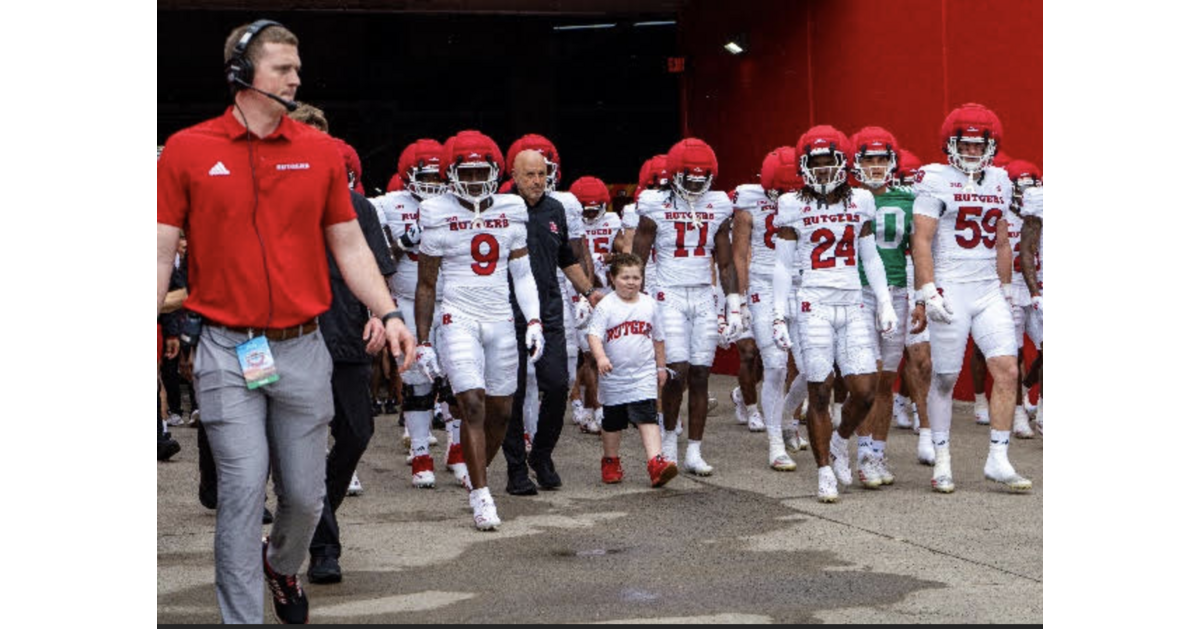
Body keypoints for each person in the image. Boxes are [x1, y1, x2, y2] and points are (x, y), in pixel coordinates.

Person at [156, 20, 416, 624]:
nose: (296, 77)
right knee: (242, 493)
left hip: (303, 349)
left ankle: (282, 564)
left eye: (297, 68)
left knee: (304, 495)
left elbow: (350, 246)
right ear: (242, 75)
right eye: (282, 67)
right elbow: (158, 248)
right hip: (225, 349)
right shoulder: (188, 151)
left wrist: (390, 311)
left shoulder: (321, 153)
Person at [413, 130, 543, 529]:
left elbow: (521, 273)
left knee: (502, 411)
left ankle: (476, 473)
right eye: (465, 173)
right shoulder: (436, 212)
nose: (472, 181)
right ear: (452, 174)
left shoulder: (511, 208)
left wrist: (534, 318)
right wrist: (422, 340)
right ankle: (482, 497)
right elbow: (427, 283)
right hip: (458, 317)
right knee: (471, 403)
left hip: (501, 316)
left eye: (480, 172)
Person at [771, 125, 898, 502]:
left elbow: (870, 255)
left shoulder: (860, 199)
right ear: (804, 166)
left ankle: (841, 441)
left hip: (852, 300)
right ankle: (824, 470)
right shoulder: (793, 204)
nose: (824, 171)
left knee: (865, 390)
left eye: (830, 163)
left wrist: (885, 301)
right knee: (820, 389)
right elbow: (782, 266)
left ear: (844, 164)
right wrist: (779, 315)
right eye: (817, 164)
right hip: (813, 302)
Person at [910, 103, 1033, 493]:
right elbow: (922, 240)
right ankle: (942, 460)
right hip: (950, 287)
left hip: (986, 290)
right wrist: (928, 290)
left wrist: (1008, 287)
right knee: (945, 378)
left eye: (980, 146)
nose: (973, 152)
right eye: (966, 144)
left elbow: (1000, 240)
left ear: (991, 146)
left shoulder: (1000, 179)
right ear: (951, 144)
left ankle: (998, 459)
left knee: (1008, 370)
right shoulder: (934, 179)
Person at [304, 136, 397, 584]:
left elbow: (377, 269)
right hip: (297, 338)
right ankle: (324, 547)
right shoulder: (284, 203)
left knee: (359, 431)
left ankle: (312, 507)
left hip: (348, 334)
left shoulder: (361, 208)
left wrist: (383, 314)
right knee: (301, 442)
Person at [632, 138, 741, 475]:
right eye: (689, 178)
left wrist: (733, 304)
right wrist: (639, 303)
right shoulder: (655, 204)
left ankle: (694, 449)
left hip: (703, 295)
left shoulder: (719, 204)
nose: (695, 185)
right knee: (676, 371)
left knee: (701, 372)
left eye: (701, 179)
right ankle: (667, 442)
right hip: (669, 293)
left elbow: (724, 263)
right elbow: (639, 258)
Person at [500, 147, 602, 496]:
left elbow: (566, 258)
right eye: (529, 174)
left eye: (542, 174)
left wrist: (590, 292)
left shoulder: (556, 208)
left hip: (549, 310)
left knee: (558, 384)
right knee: (510, 392)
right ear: (513, 176)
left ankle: (541, 455)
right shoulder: (501, 208)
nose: (537, 181)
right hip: (507, 312)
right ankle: (515, 469)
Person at [370, 138, 467, 488]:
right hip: (408, 301)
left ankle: (458, 449)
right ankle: (421, 452)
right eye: (424, 175)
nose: (433, 184)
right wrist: (404, 241)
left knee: (458, 377)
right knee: (417, 381)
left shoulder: (458, 201)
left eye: (437, 176)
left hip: (451, 298)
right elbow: (380, 259)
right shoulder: (388, 205)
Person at [847, 126, 916, 487]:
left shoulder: (908, 199)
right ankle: (861, 454)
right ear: (857, 163)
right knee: (867, 377)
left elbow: (920, 251)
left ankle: (877, 450)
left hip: (898, 291)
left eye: (881, 159)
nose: (875, 166)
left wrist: (919, 297)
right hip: (858, 292)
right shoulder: (847, 198)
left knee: (887, 380)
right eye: (869, 159)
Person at [731, 148, 800, 473]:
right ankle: (775, 441)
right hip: (763, 285)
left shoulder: (811, 197)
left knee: (814, 367)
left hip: (802, 284)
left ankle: (787, 415)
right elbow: (741, 255)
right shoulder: (749, 203)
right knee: (774, 365)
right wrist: (740, 300)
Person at [587, 253, 677, 486]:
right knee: (613, 421)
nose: (631, 282)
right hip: (614, 375)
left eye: (636, 277)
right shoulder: (606, 306)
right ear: (613, 278)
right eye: (625, 277)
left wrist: (661, 367)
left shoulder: (649, 304)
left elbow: (658, 338)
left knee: (647, 416)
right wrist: (601, 357)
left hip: (643, 374)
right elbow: (594, 335)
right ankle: (610, 460)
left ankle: (656, 463)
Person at [570, 176, 622, 435]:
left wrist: (611, 257)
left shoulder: (613, 222)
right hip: (578, 294)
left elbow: (627, 252)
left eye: (594, 209)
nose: (590, 215)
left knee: (606, 353)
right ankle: (598, 408)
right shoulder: (570, 221)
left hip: (606, 294)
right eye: (585, 209)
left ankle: (591, 407)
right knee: (589, 355)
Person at [1016, 170, 1044, 434]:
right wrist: (1035, 292)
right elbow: (1026, 250)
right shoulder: (1039, 201)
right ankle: (1029, 412)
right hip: (1022, 286)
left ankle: (1030, 392)